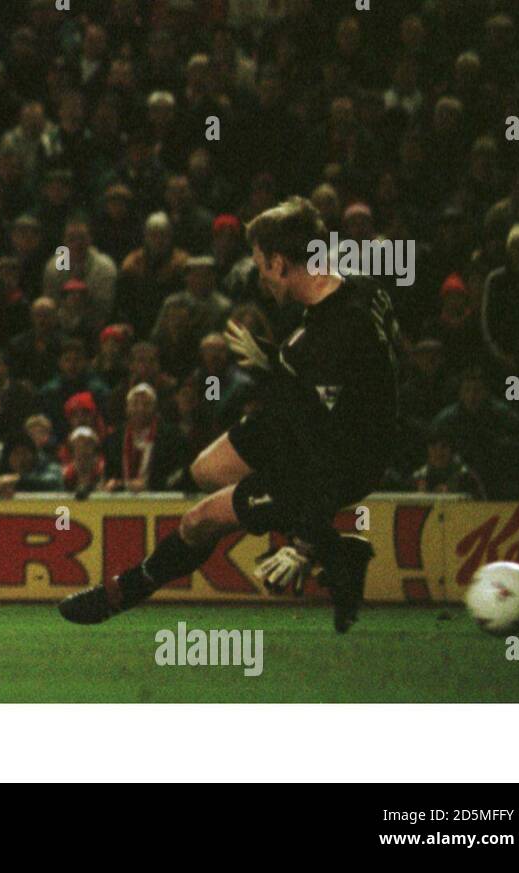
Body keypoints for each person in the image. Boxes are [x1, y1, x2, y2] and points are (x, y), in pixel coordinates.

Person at [60, 197, 401, 633]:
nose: (260, 278)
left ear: (280, 263)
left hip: (344, 456)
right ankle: (344, 554)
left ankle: (121, 592)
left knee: (200, 520)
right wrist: (276, 362)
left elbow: (327, 447)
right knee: (207, 469)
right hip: (320, 416)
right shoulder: (362, 291)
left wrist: (305, 541)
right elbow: (360, 372)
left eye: (261, 265)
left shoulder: (321, 342)